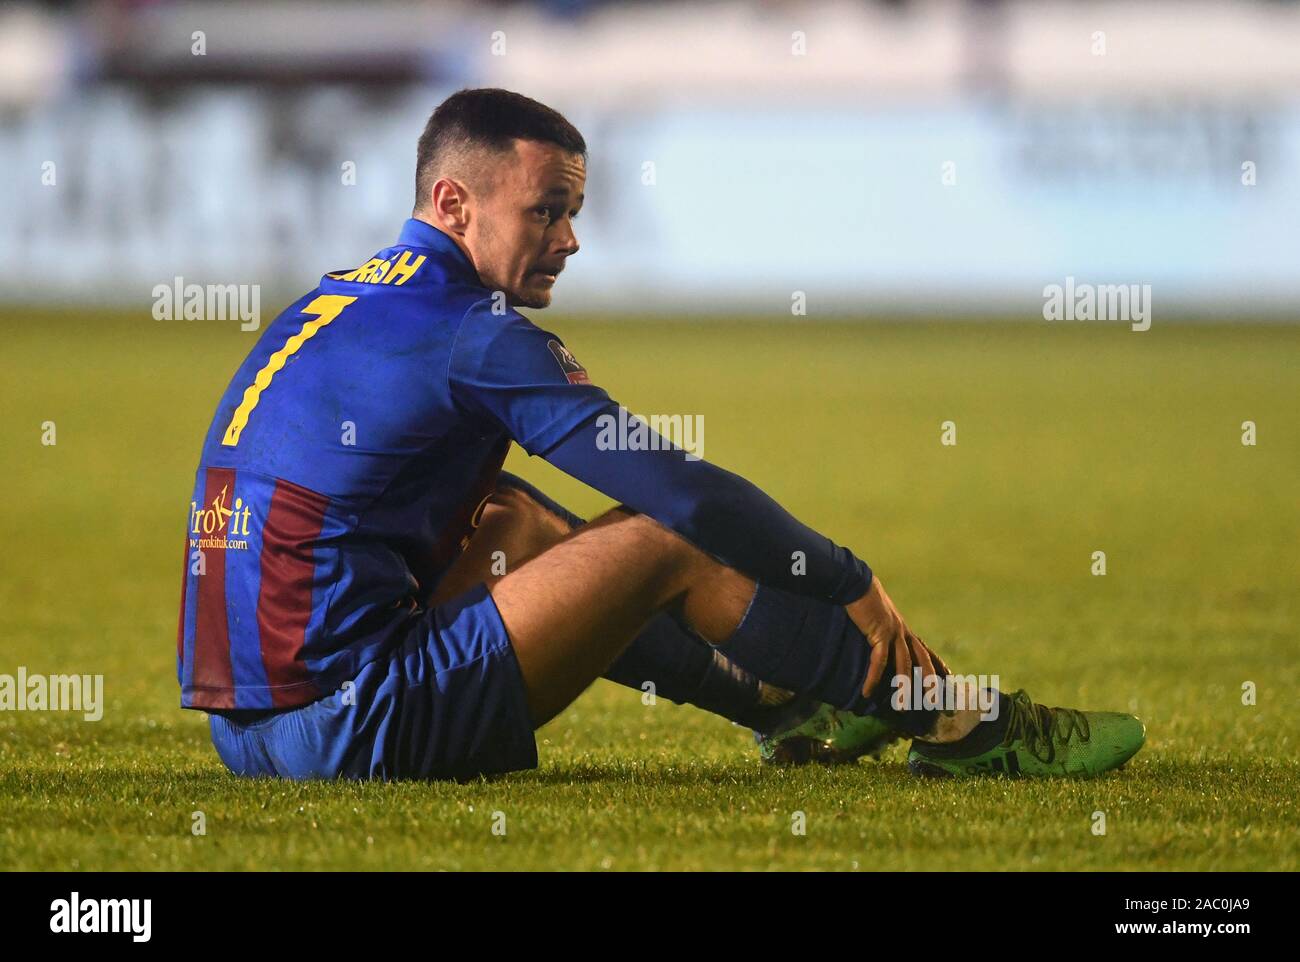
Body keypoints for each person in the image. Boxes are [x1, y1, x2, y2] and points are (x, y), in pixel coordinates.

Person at [177, 88, 1145, 780]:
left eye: (574, 213)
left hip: (248, 730)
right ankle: (968, 722)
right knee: (661, 536)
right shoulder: (471, 334)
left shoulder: (338, 298)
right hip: (349, 725)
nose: (568, 239)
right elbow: (677, 493)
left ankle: (788, 708)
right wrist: (845, 579)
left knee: (512, 519)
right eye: (545, 211)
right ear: (454, 204)